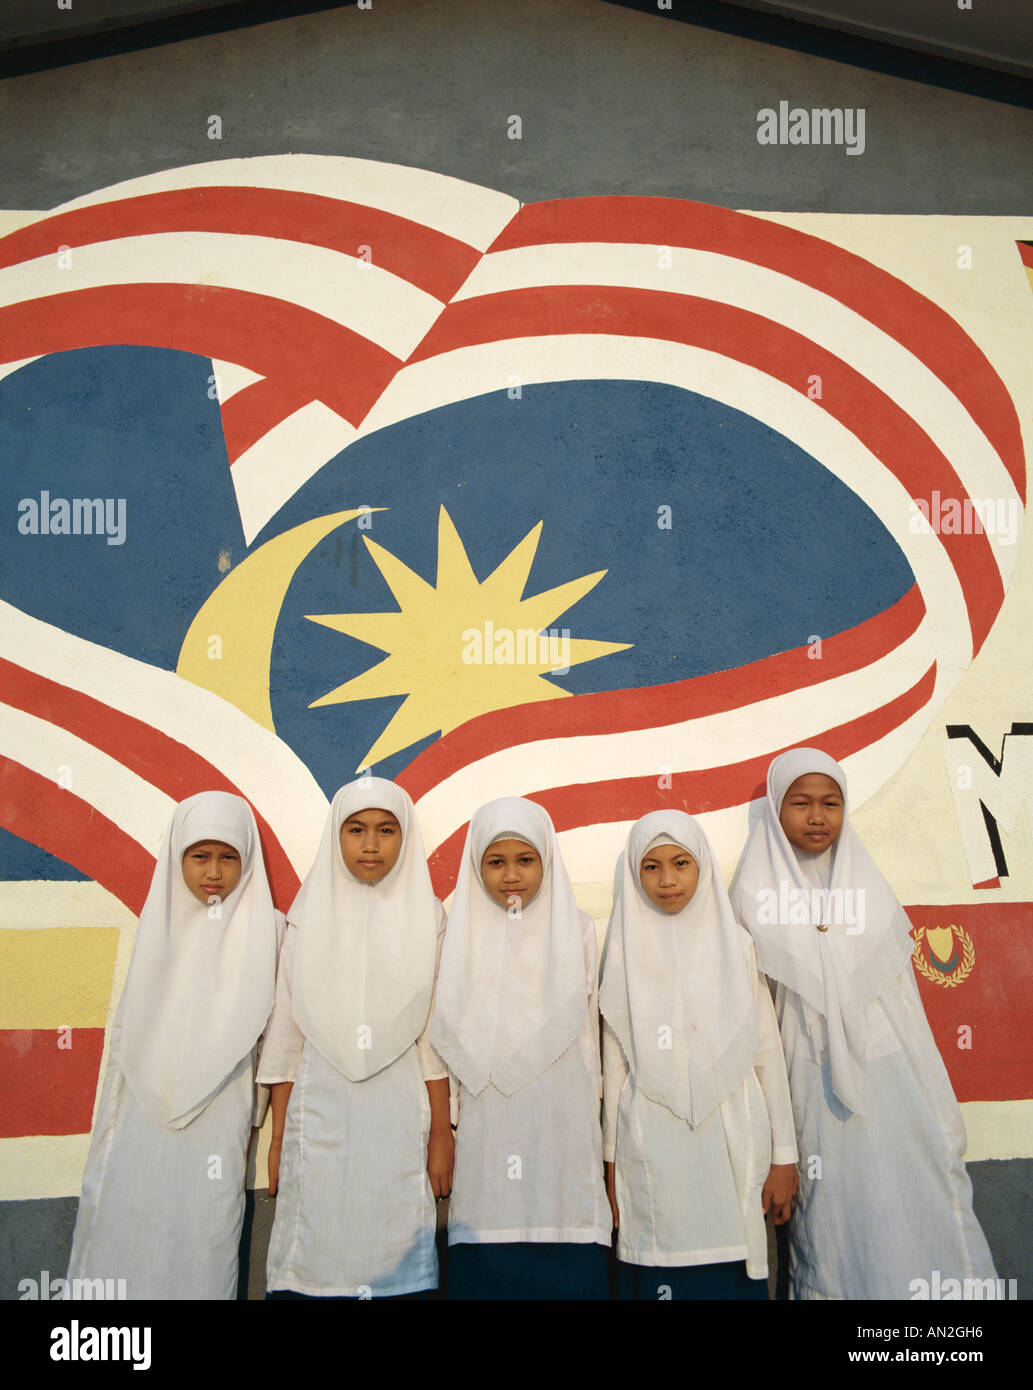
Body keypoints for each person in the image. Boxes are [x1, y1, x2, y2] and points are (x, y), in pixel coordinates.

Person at [730, 747, 997, 1300]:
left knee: (920, 1199)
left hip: (893, 1085)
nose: (818, 816)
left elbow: (908, 1014)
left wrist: (940, 1110)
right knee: (836, 1225)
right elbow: (757, 1028)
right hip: (811, 1092)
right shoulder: (752, 901)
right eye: (800, 803)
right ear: (776, 811)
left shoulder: (871, 894)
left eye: (831, 802)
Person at [66, 791, 281, 1299]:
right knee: (120, 1225)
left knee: (202, 1240)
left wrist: (258, 1123)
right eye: (199, 855)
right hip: (136, 1118)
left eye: (229, 857)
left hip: (216, 1120)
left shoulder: (267, 932)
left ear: (247, 861)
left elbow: (273, 1044)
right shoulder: (157, 926)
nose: (214, 871)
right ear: (177, 857)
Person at [260, 776, 450, 1298]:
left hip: (398, 1116)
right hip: (318, 1113)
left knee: (395, 1246)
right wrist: (279, 1141)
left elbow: (432, 1036)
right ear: (335, 836)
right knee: (312, 1243)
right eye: (356, 829)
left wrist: (441, 1134)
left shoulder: (429, 918)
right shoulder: (305, 918)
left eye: (387, 830)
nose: (371, 844)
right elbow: (286, 1036)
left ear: (405, 837)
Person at [600, 810, 798, 1299]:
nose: (668, 880)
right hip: (651, 1145)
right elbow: (613, 1064)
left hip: (732, 1140)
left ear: (703, 866)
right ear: (634, 873)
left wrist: (784, 1157)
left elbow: (766, 1055)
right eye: (651, 866)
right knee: (660, 1265)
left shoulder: (737, 946)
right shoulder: (622, 951)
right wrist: (610, 1165)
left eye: (681, 863)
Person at [430, 797, 610, 1299]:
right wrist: (445, 1126)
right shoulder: (458, 935)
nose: (511, 876)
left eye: (525, 860)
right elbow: (439, 1036)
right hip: (488, 1138)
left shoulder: (577, 930)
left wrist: (594, 1129)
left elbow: (591, 1048)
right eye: (496, 862)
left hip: (563, 1138)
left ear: (546, 861)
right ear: (476, 865)